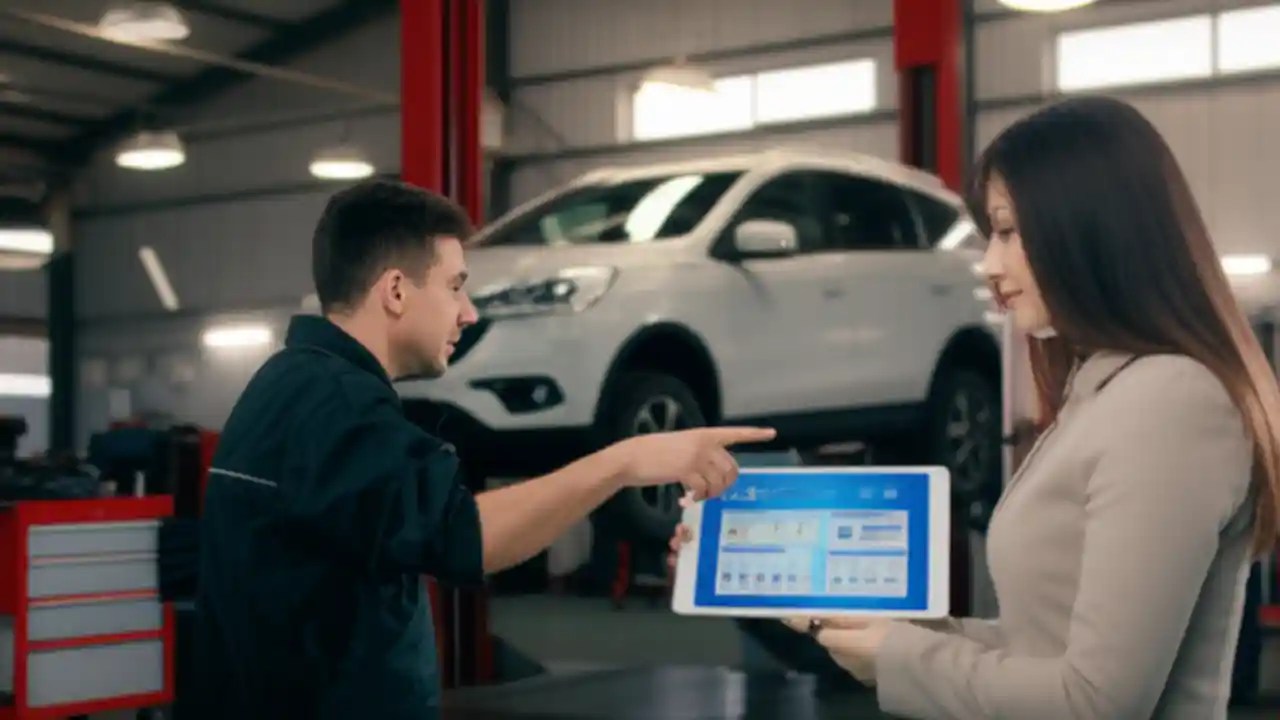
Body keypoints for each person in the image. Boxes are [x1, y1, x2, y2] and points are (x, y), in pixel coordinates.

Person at [672, 96, 1280, 719]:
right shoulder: (1105, 392)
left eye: (1009, 232)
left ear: (1091, 226)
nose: (989, 265)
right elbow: (1036, 651)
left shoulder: (1170, 403)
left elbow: (1095, 703)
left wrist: (900, 656)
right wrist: (800, 591)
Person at [191, 179, 775, 719]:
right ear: (395, 290)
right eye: (454, 287)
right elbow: (470, 537)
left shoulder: (288, 384)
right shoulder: (340, 407)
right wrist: (622, 461)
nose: (468, 313)